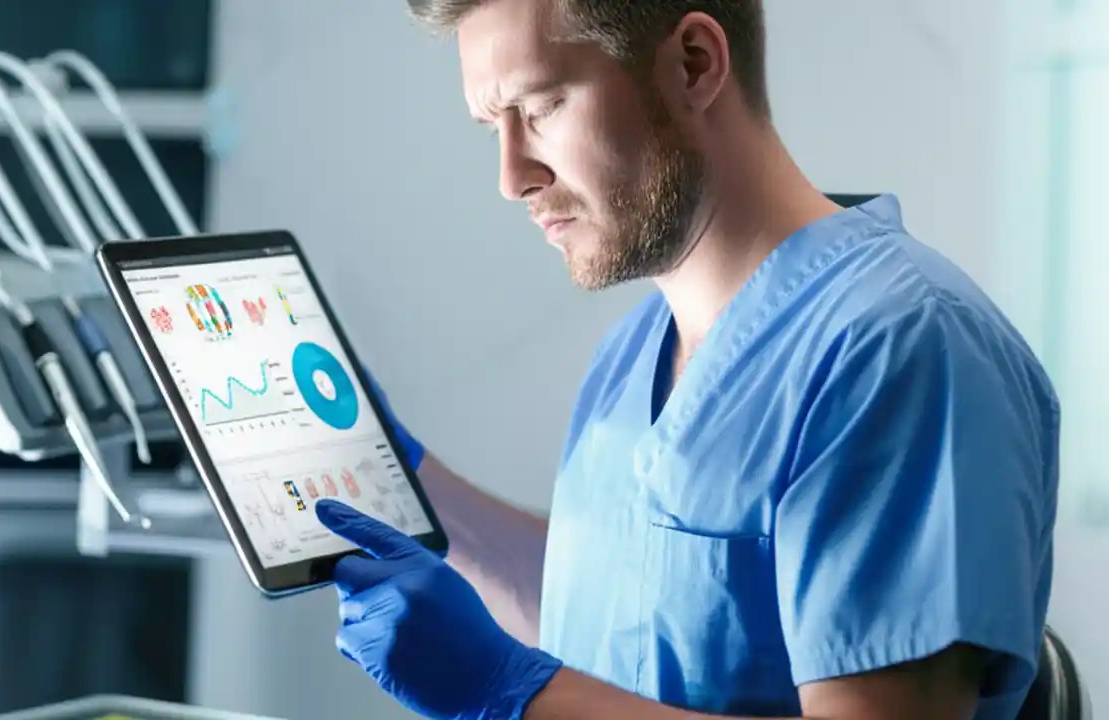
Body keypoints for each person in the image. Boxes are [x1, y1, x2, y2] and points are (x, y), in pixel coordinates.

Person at [314, 1, 1061, 718]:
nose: (512, 178)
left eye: (540, 110)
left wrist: (513, 696)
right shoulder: (632, 354)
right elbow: (625, 628)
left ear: (695, 64)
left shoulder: (900, 349)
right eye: (491, 129)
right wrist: (404, 479)